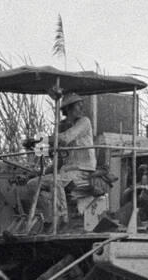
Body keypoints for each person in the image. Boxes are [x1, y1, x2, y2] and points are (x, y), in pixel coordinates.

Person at [22, 94, 96, 224]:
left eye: (82, 105)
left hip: (82, 172)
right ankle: (49, 218)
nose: (82, 108)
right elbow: (59, 162)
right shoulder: (63, 127)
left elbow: (66, 137)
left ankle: (62, 219)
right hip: (67, 172)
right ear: (68, 109)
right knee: (32, 184)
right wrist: (41, 173)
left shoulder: (84, 122)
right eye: (79, 106)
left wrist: (38, 140)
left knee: (56, 181)